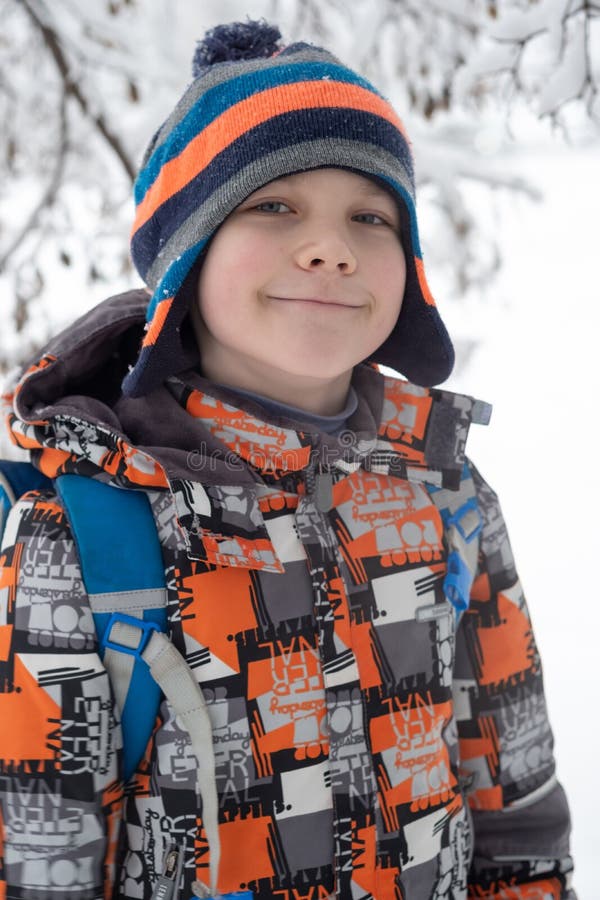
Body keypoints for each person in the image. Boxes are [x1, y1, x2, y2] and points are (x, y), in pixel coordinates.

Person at [0, 19, 575, 900]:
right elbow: (39, 858)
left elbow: (516, 806)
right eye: (273, 205)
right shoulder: (84, 529)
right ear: (187, 259)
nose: (332, 247)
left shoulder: (447, 490)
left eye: (369, 217)